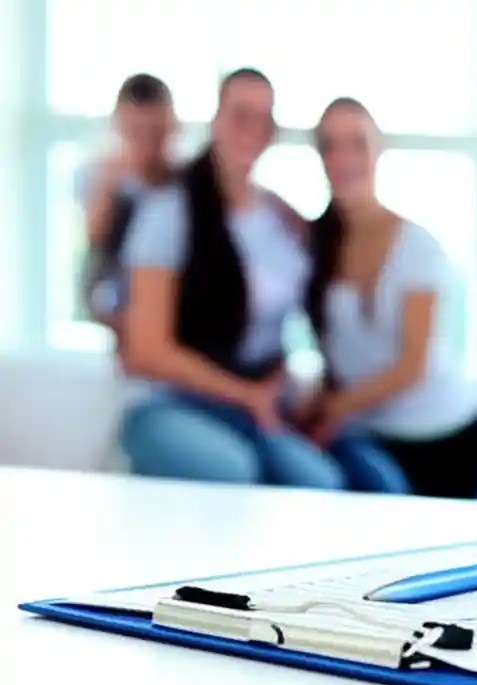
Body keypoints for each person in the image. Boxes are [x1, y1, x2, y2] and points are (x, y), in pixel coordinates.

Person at [119, 68, 357, 489]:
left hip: (257, 406)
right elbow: (145, 350)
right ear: (216, 121)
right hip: (177, 403)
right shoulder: (169, 214)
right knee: (234, 472)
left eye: (263, 119)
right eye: (239, 114)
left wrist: (282, 391)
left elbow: (295, 320)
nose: (251, 129)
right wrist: (247, 394)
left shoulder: (280, 219)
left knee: (319, 481)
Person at [304, 97, 477, 498]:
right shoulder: (315, 245)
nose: (343, 158)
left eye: (357, 143)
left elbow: (412, 366)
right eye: (329, 146)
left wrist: (333, 408)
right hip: (373, 440)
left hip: (446, 438)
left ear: (377, 150)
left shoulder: (417, 246)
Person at [78, 73, 176, 334]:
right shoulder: (101, 175)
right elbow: (95, 237)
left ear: (171, 126)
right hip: (115, 299)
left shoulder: (181, 182)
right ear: (118, 124)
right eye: (136, 133)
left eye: (155, 133)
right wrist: (109, 184)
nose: (146, 145)